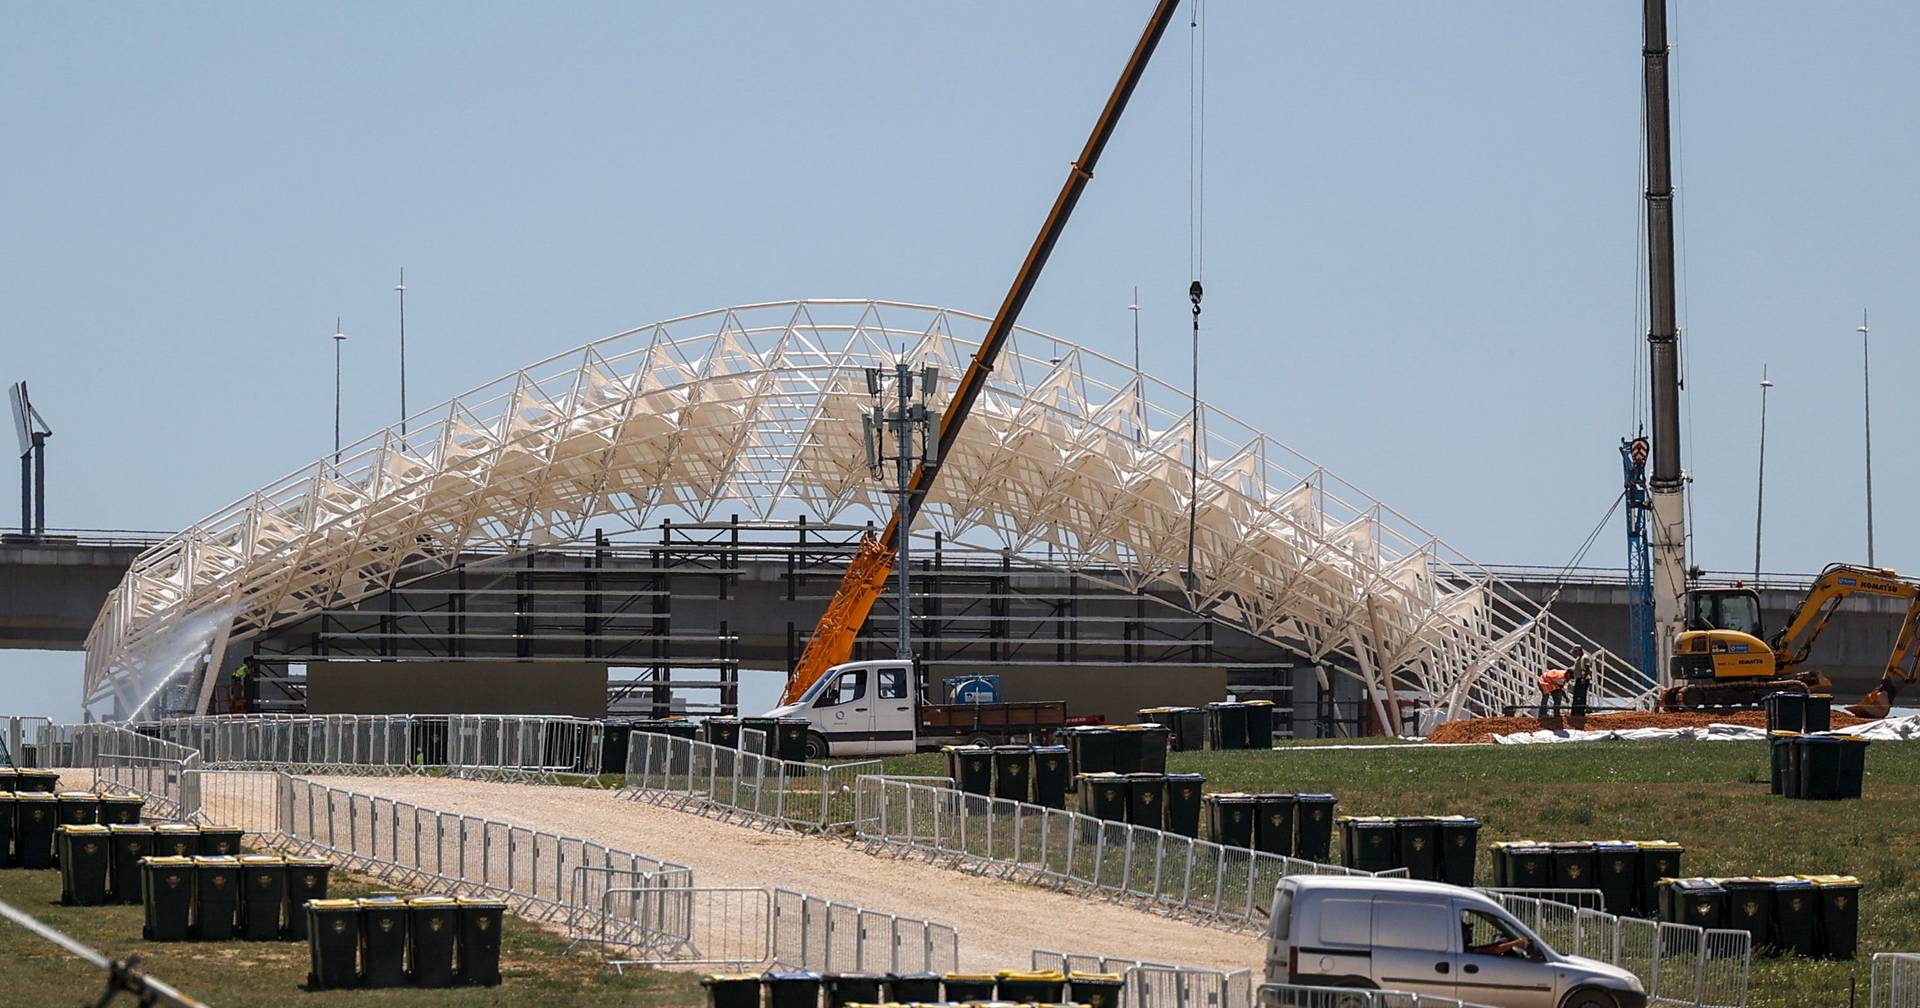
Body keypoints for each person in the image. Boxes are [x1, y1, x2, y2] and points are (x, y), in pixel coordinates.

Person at [1568, 646, 1593, 717]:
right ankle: (1575, 712)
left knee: (1581, 696)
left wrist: (1583, 678)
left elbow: (1587, 668)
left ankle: (1580, 712)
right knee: (1576, 696)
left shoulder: (1584, 658)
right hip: (1579, 679)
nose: (1574, 654)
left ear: (1579, 651)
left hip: (1582, 679)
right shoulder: (1579, 658)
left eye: (1575, 652)